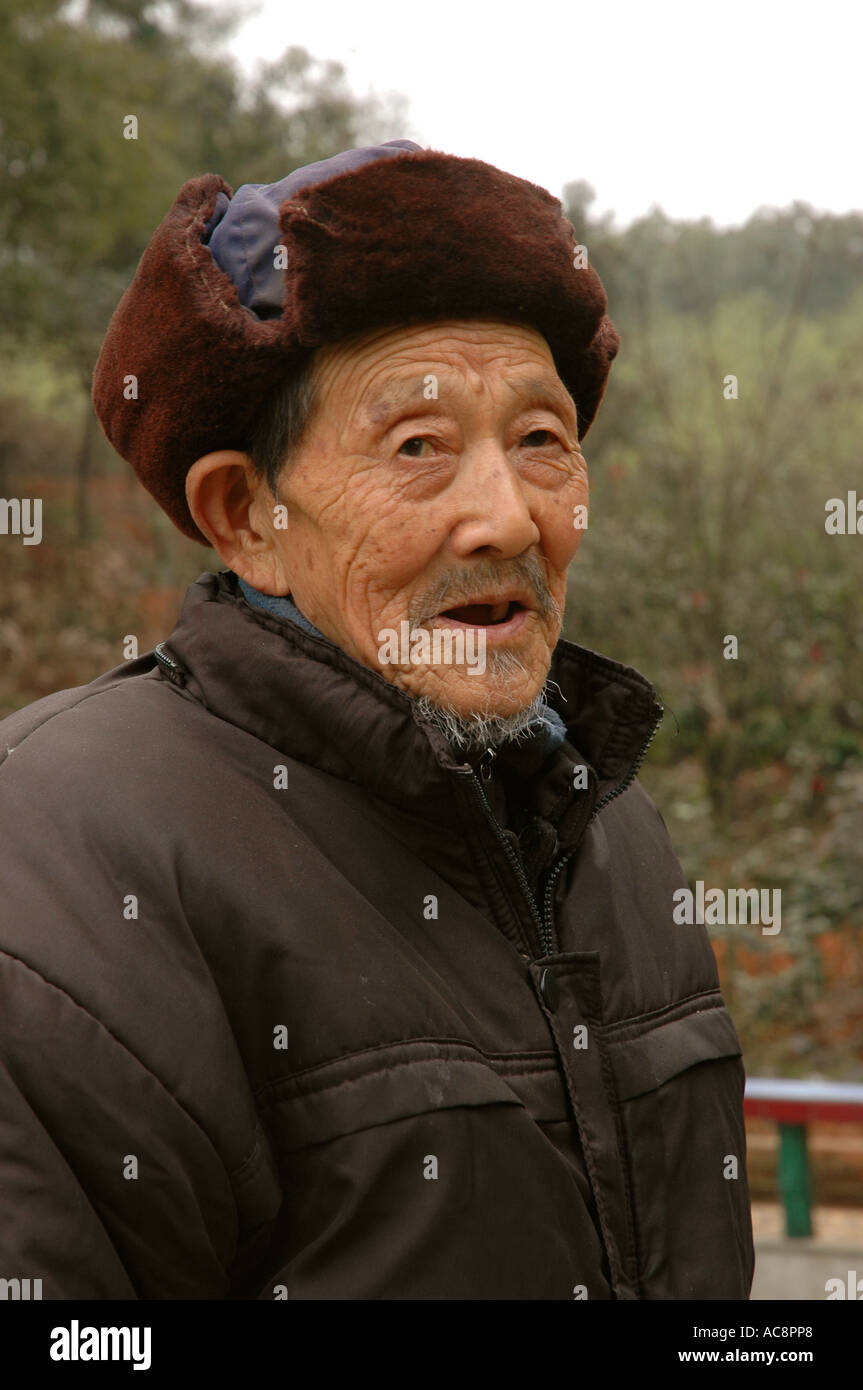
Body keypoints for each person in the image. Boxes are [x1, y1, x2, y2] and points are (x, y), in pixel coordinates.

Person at [0, 141, 755, 1299]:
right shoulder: (53, 865)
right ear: (245, 516)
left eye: (540, 441)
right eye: (418, 447)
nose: (507, 519)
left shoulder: (603, 820)